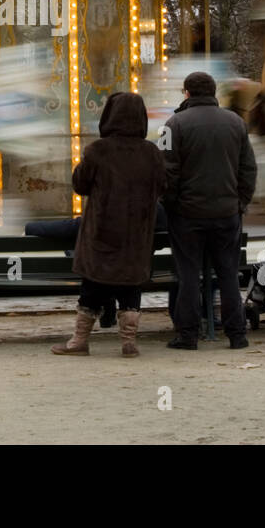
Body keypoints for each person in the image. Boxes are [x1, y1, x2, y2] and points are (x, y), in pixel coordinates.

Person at [51, 92, 166, 358]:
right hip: (136, 235)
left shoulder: (98, 150)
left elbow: (80, 185)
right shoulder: (151, 153)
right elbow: (164, 186)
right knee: (131, 284)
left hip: (101, 233)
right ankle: (128, 342)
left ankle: (79, 341)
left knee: (91, 286)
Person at [160, 71, 257, 350]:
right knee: (227, 274)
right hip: (227, 213)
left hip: (188, 215)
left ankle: (188, 335)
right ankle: (237, 335)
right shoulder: (236, 123)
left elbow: (167, 173)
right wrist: (239, 202)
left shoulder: (173, 125)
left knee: (188, 275)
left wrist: (174, 204)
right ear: (214, 93)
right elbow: (248, 169)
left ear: (186, 93)